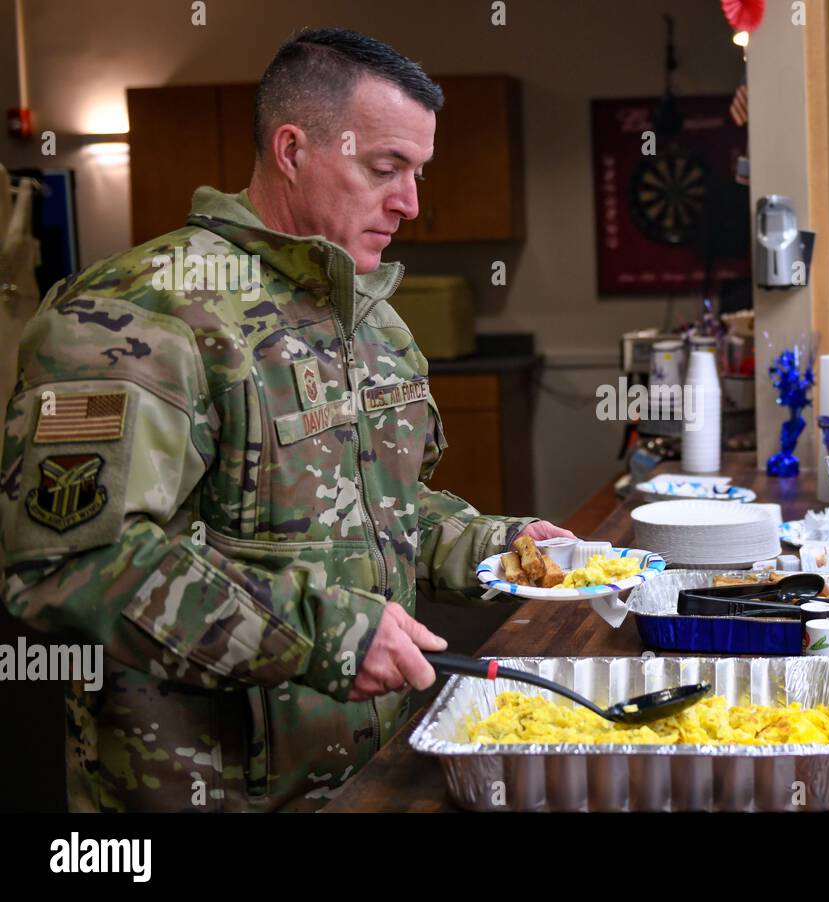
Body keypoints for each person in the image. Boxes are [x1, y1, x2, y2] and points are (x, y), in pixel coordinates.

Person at [0, 27, 573, 812]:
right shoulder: (138, 313)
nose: (409, 202)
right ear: (293, 148)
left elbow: (383, 517)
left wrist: (501, 547)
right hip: (202, 793)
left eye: (417, 172)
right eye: (385, 168)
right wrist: (324, 630)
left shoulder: (372, 322)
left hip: (371, 775)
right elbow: (72, 567)